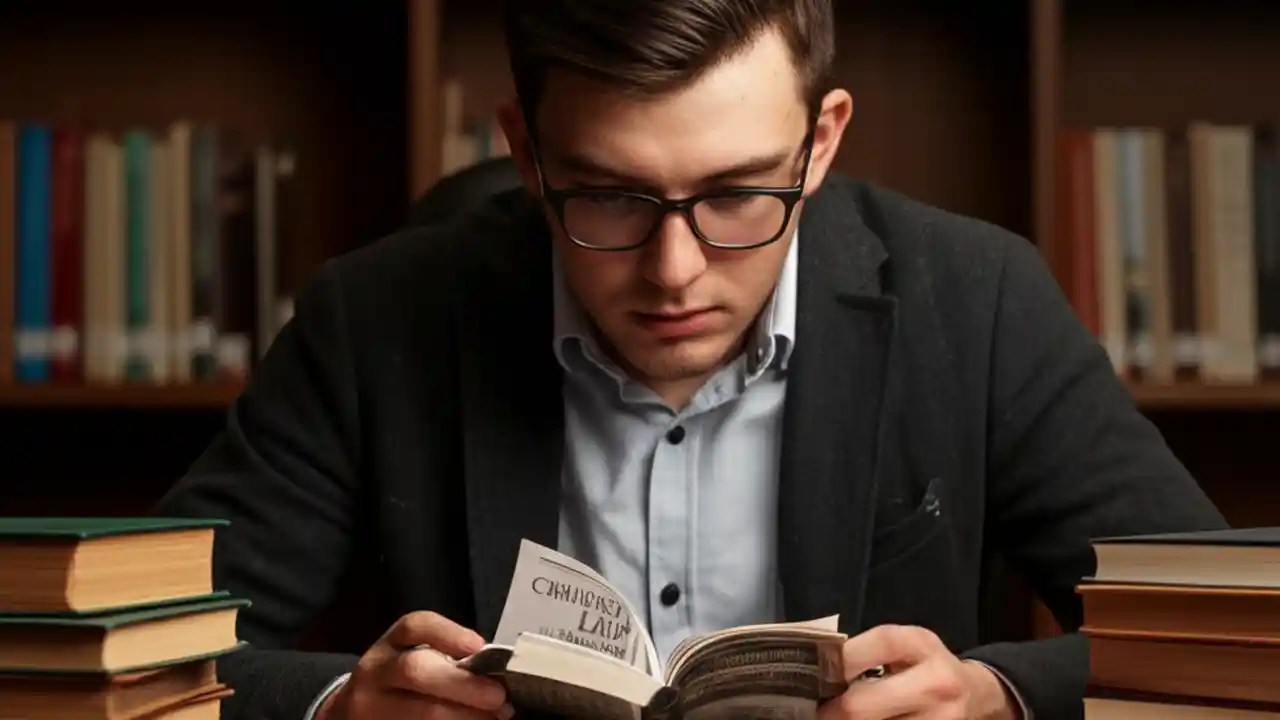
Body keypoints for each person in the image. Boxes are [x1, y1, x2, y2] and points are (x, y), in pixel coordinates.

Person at [155, 1, 1228, 719]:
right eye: (610, 198)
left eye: (734, 196)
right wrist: (339, 701)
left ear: (819, 143)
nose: (674, 271)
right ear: (524, 154)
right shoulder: (376, 318)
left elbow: (1230, 637)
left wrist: (996, 694)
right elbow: (134, 644)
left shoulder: (976, 300)